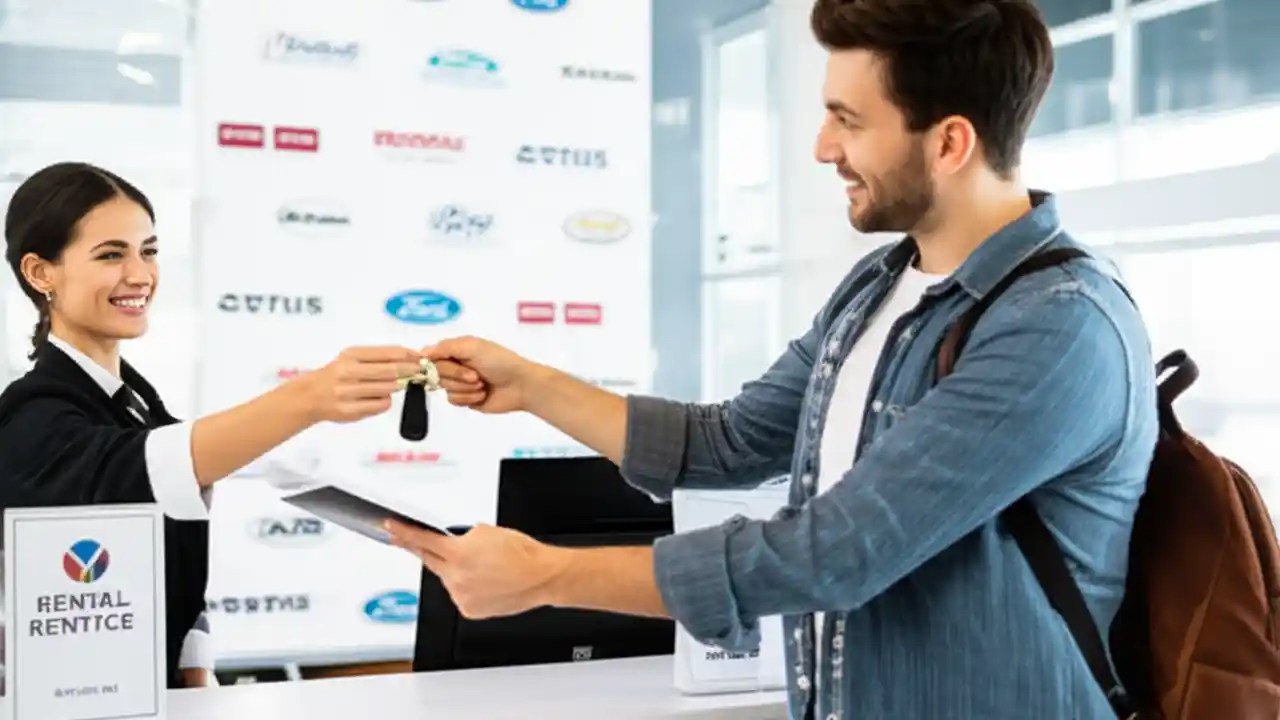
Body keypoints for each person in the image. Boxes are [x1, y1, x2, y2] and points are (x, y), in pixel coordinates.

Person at [384, 1, 1160, 718]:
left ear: (951, 142)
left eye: (847, 121)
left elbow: (832, 554)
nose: (824, 148)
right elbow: (726, 442)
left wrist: (546, 577)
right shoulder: (880, 284)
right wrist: (531, 387)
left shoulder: (1060, 328)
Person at [0, 161, 423, 689]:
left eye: (148, 251)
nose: (139, 275)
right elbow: (148, 468)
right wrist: (312, 396)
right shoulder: (33, 415)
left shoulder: (136, 402)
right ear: (41, 273)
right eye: (111, 254)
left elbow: (174, 555)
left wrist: (195, 669)